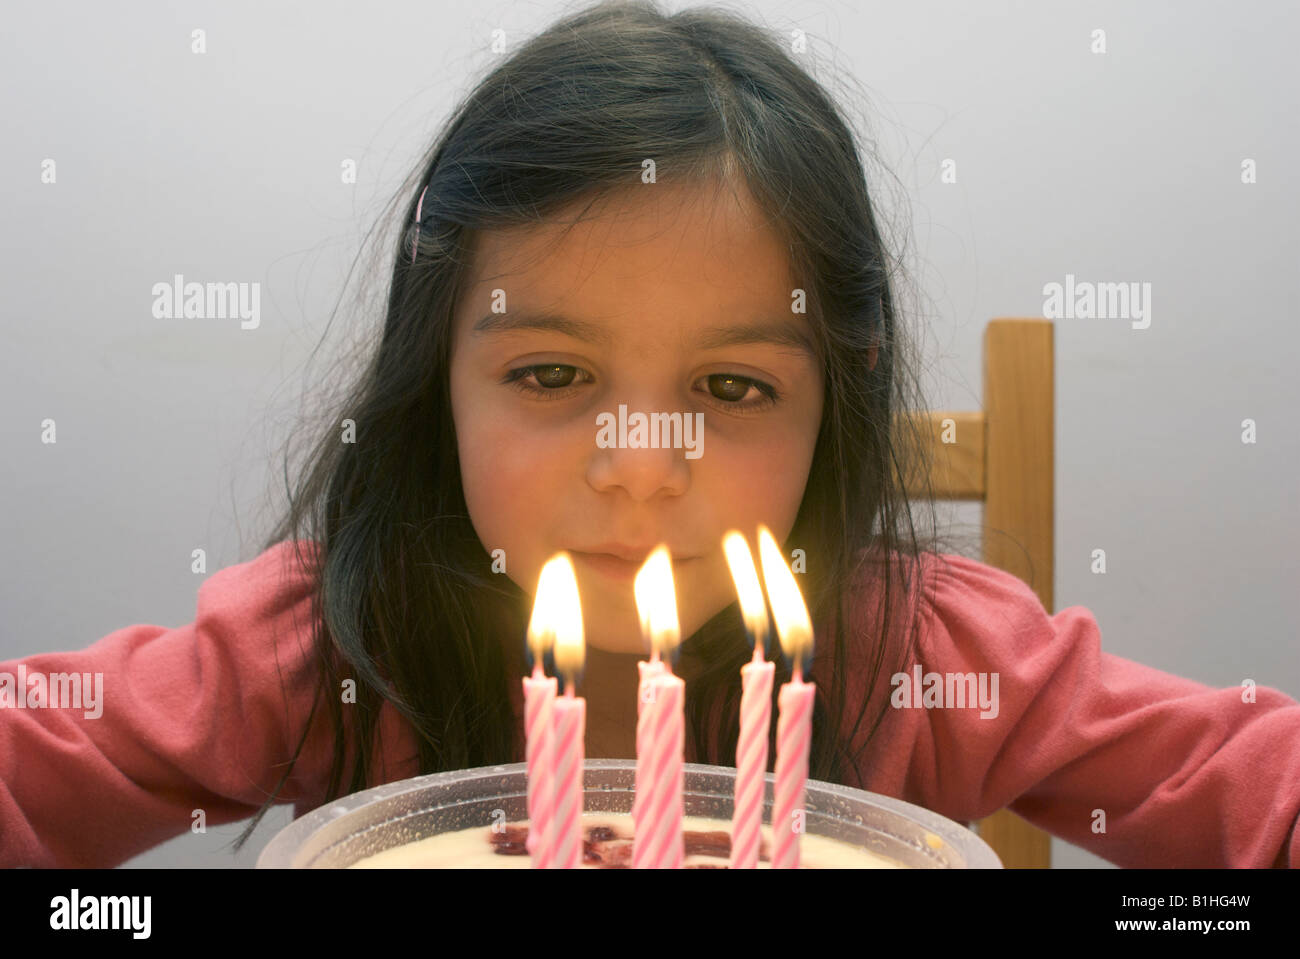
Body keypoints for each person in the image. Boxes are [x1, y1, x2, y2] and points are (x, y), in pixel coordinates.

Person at [2, 0, 1296, 869]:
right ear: (432, 380)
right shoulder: (321, 648)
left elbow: (1257, 785)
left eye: (731, 389)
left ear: (836, 393)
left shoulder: (929, 657)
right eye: (554, 370)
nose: (635, 458)